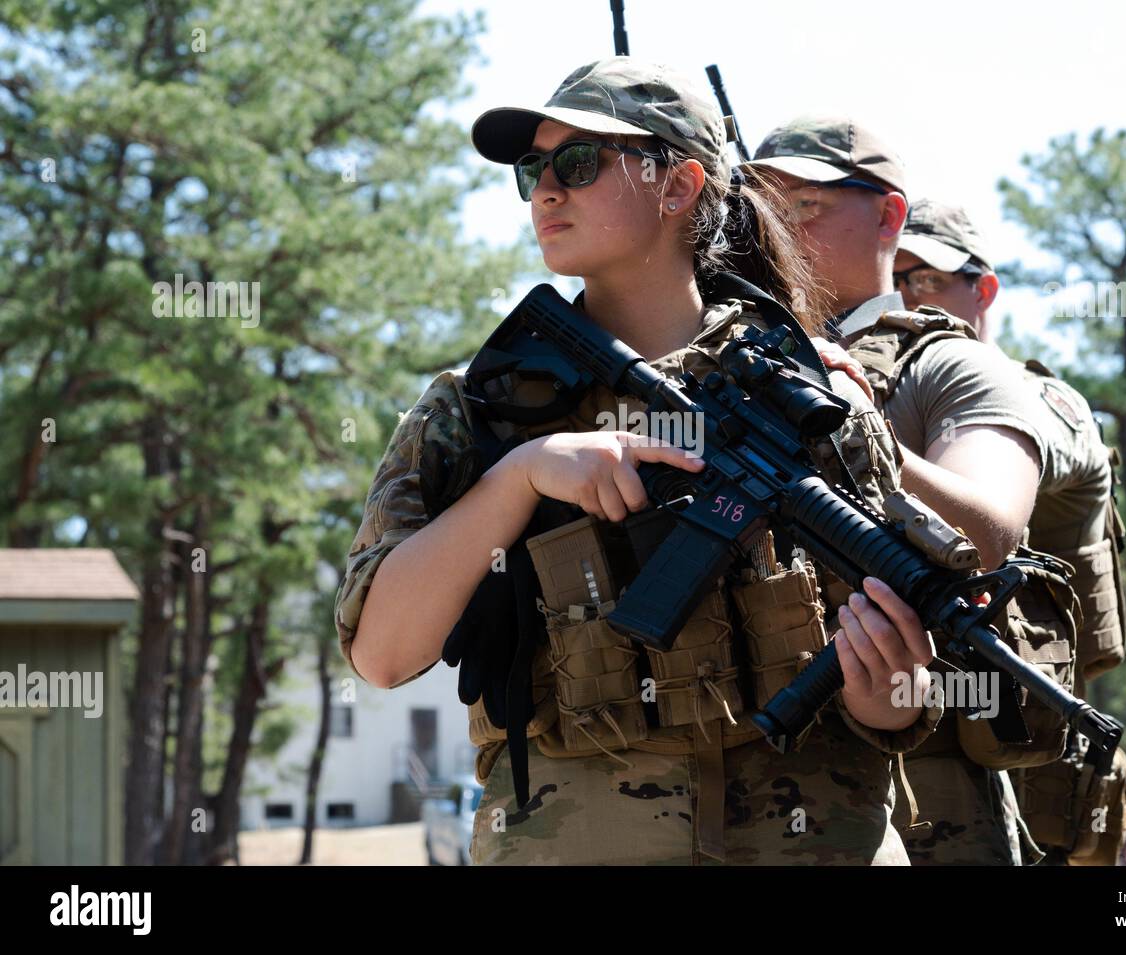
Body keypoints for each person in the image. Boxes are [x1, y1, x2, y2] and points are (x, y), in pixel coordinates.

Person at [334, 59, 943, 866]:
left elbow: (907, 698)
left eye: (579, 162)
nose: (547, 190)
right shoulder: (479, 409)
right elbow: (381, 653)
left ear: (678, 185)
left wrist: (891, 692)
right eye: (533, 171)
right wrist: (520, 476)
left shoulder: (811, 391)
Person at [745, 118, 1063, 866]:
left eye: (808, 203)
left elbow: (989, 532)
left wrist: (860, 430)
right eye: (763, 204)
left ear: (890, 214)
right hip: (765, 779)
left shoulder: (947, 362)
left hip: (934, 795)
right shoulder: (734, 352)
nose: (778, 226)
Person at [891, 198, 1126, 866]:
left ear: (984, 289)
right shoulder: (896, 385)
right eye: (894, 276)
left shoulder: (1036, 402)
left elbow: (990, 503)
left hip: (1027, 747)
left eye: (926, 278)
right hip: (918, 735)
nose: (906, 297)